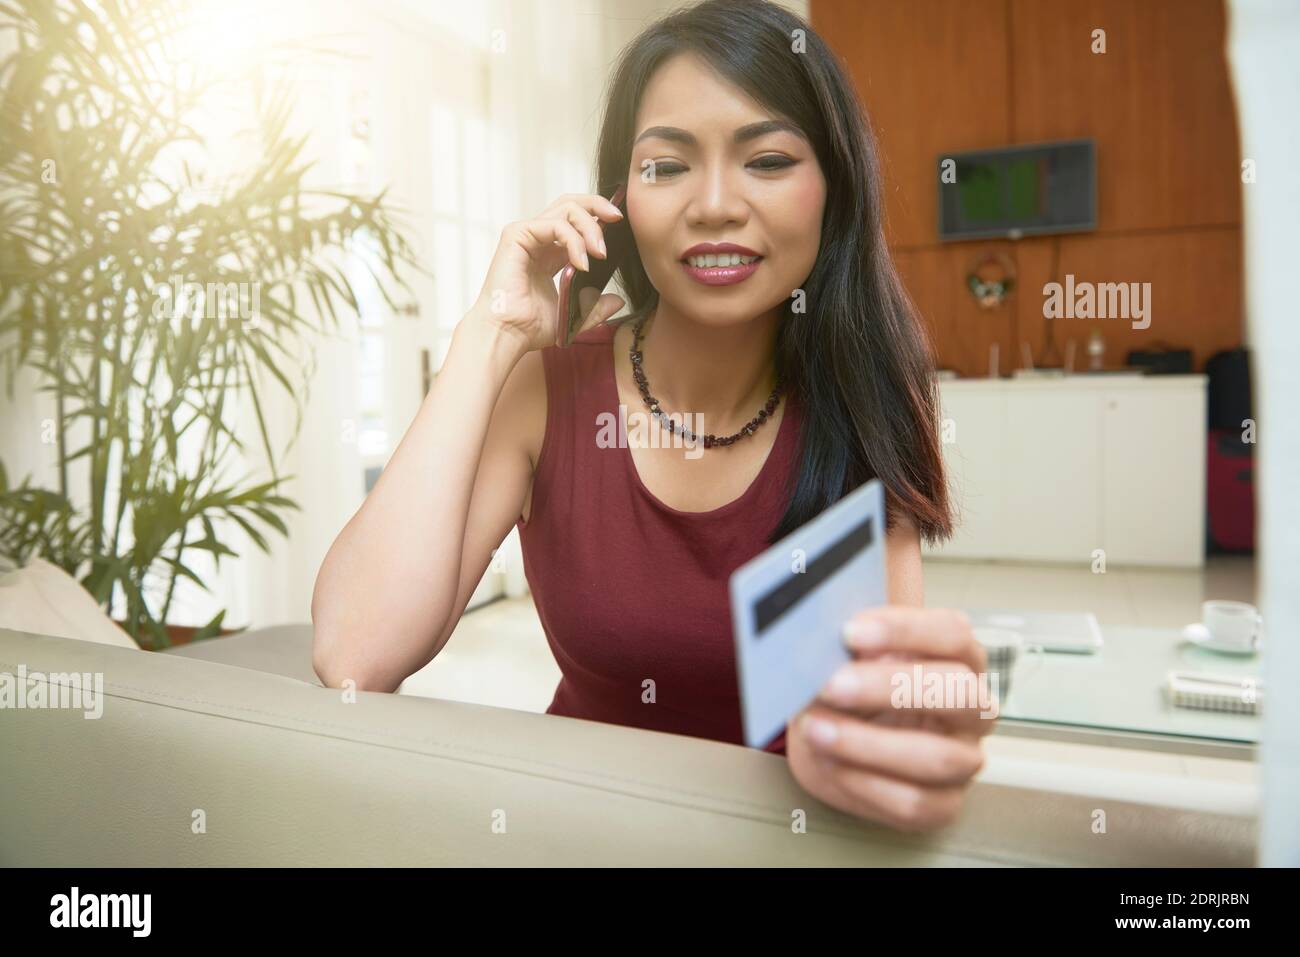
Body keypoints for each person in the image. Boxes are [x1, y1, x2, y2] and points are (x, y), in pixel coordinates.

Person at [313, 0, 991, 833]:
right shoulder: (548, 392)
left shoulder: (864, 399)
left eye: (768, 159)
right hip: (582, 836)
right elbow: (355, 655)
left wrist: (886, 734)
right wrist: (489, 333)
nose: (713, 204)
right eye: (667, 166)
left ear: (834, 190)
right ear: (620, 197)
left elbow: (873, 702)